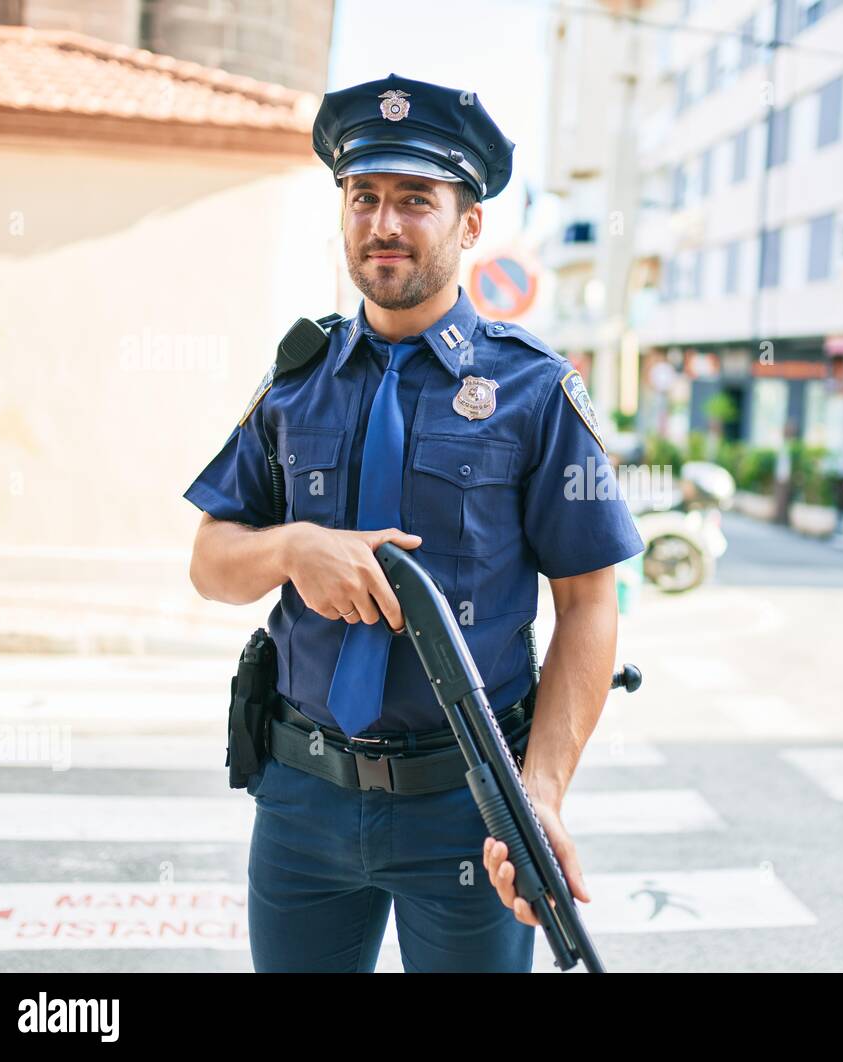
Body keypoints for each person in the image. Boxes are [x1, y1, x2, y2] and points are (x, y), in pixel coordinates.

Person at [183, 73, 646, 973]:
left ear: (470, 224)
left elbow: (590, 604)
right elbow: (210, 563)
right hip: (302, 799)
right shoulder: (295, 382)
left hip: (469, 810)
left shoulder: (535, 391)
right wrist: (290, 548)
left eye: (415, 200)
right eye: (365, 198)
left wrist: (537, 798)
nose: (383, 224)